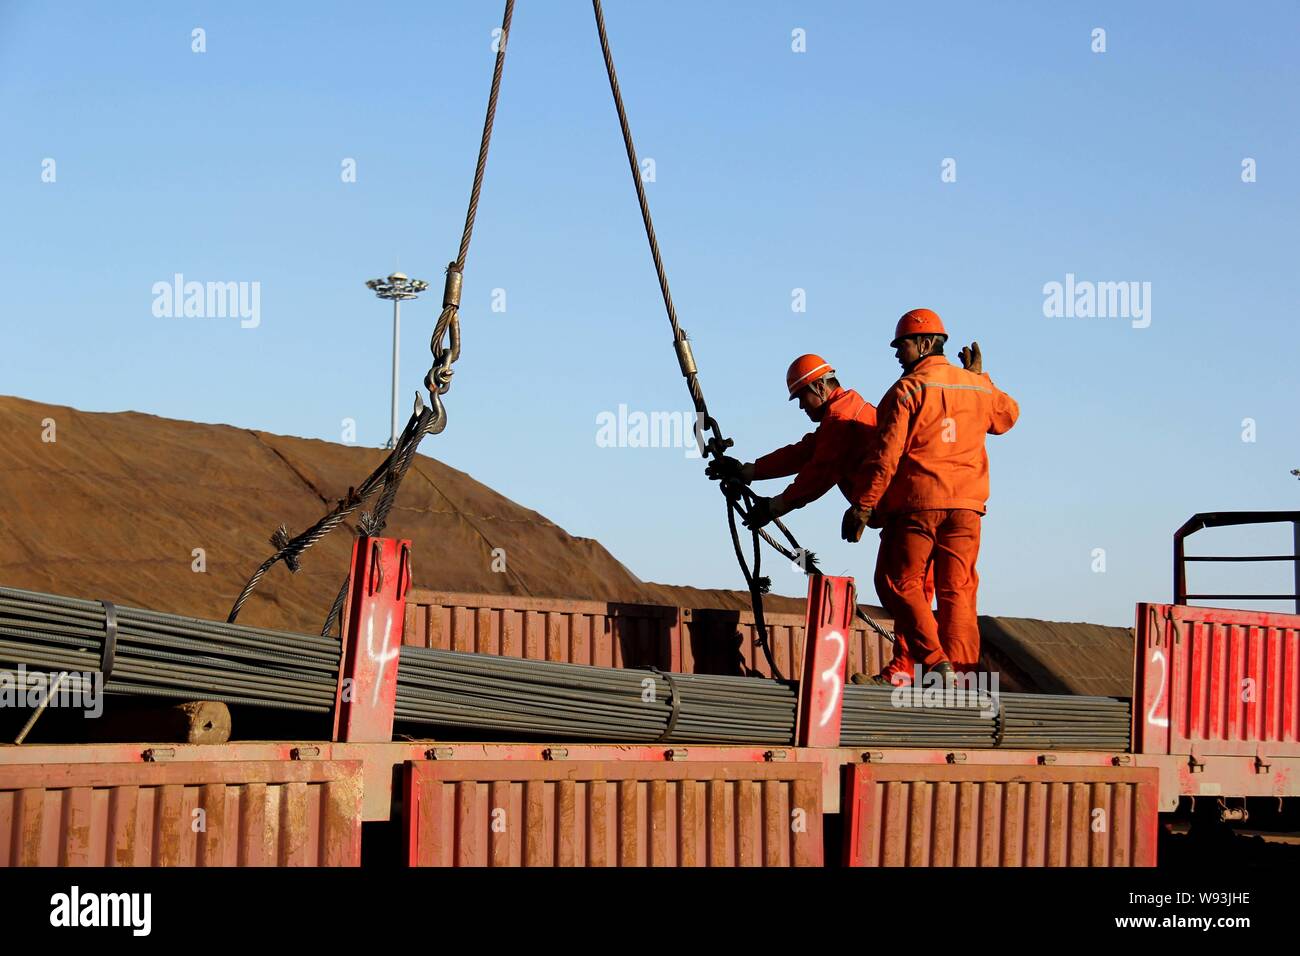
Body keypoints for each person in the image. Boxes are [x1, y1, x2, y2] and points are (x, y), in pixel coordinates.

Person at [841, 308, 1019, 686]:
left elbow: (885, 456)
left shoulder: (906, 391)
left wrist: (863, 505)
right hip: (967, 507)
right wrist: (981, 377)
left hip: (918, 504)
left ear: (923, 344)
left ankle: (936, 662)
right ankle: (961, 679)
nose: (896, 354)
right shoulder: (977, 386)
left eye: (901, 345)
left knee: (896, 581)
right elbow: (1007, 417)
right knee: (958, 592)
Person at [705, 354, 878, 547]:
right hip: (899, 513)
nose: (801, 405)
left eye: (802, 397)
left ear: (820, 387)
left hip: (904, 516)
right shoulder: (848, 410)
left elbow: (819, 474)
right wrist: (749, 470)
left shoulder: (840, 419)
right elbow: (803, 453)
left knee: (897, 578)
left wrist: (774, 507)